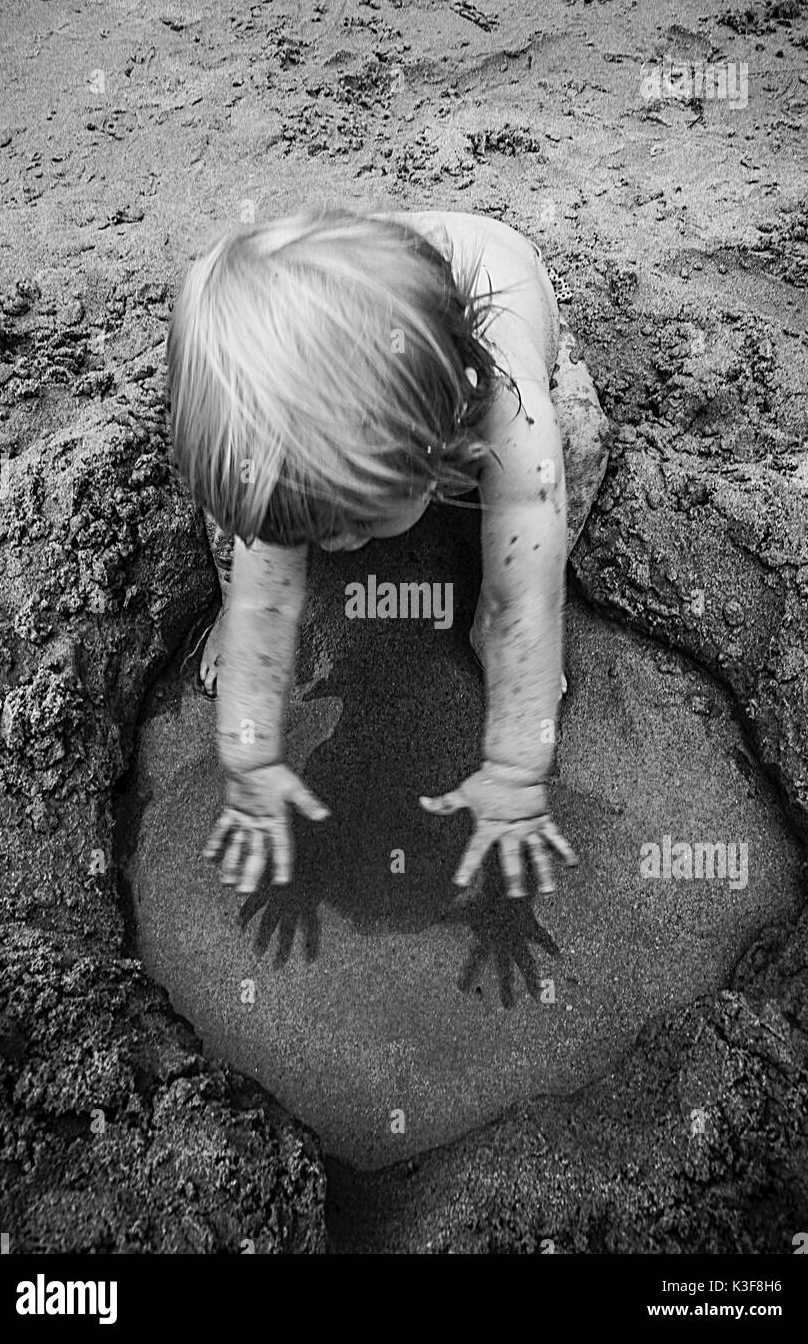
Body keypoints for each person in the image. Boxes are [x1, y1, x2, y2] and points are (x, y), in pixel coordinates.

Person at [166, 208, 609, 900]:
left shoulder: (501, 410)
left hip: (496, 278)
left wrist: (518, 768)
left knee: (570, 454)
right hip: (359, 299)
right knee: (252, 498)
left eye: (353, 522)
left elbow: (522, 605)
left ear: (434, 450)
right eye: (314, 529)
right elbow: (269, 597)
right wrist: (250, 762)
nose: (334, 548)